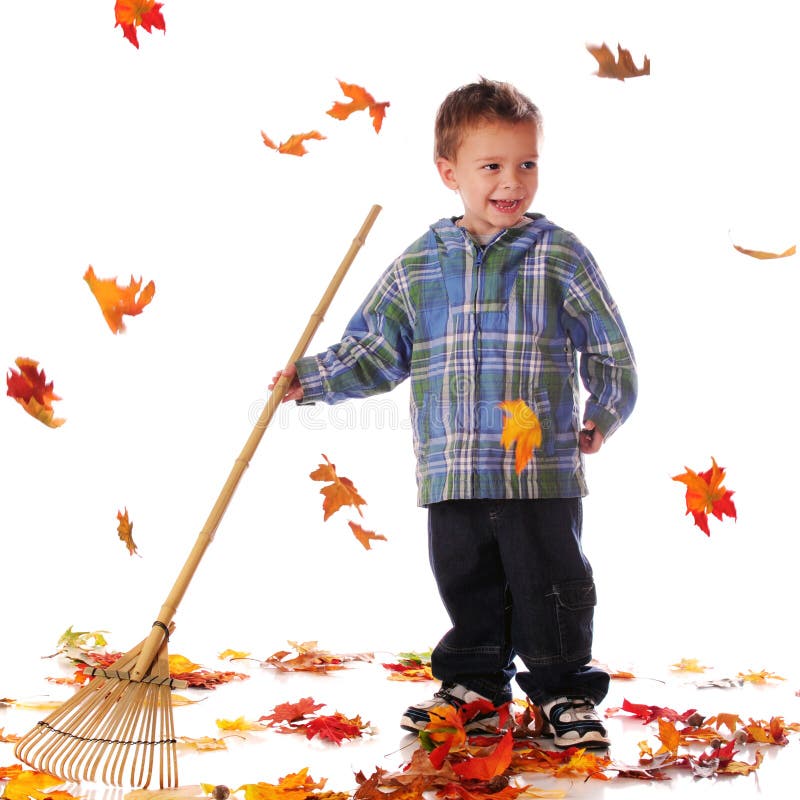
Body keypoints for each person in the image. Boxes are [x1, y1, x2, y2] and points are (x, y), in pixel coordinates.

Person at [270, 78, 637, 749]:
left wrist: (604, 413)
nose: (512, 181)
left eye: (526, 163)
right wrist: (312, 378)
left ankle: (563, 693)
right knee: (467, 581)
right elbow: (377, 348)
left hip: (539, 469)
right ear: (450, 173)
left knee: (552, 585)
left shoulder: (559, 254)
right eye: (491, 166)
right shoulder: (421, 265)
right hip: (454, 465)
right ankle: (475, 688)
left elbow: (607, 343)